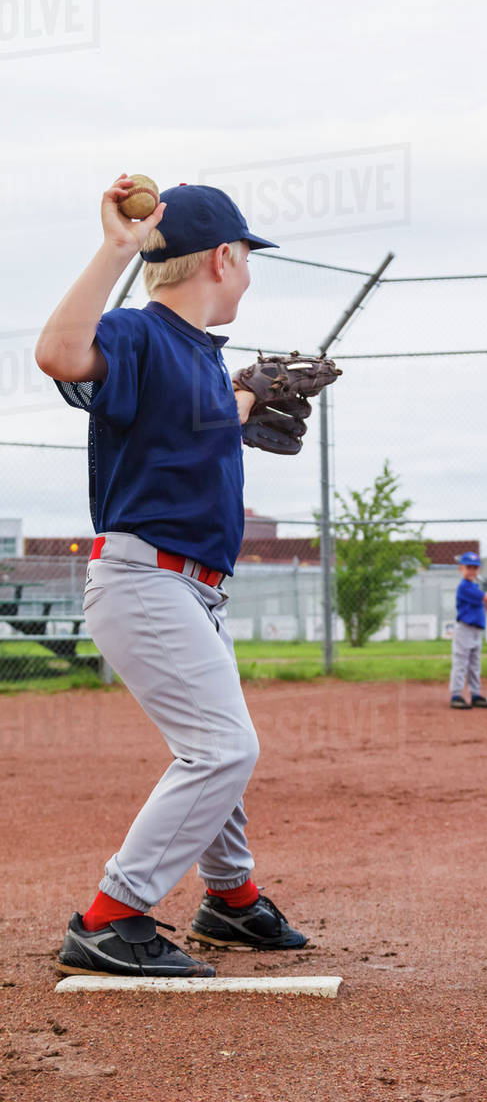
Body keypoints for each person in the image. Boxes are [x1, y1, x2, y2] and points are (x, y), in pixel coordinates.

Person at [36, 175, 307, 978]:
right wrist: (116, 248)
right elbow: (58, 354)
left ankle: (233, 901)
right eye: (247, 258)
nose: (250, 273)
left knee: (212, 739)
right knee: (224, 747)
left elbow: (213, 411)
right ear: (223, 257)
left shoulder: (202, 364)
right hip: (143, 580)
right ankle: (111, 916)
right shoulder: (139, 335)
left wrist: (250, 400)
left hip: (193, 589)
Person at [449, 551, 487, 709]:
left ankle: (475, 694)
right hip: (464, 630)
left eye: (475, 568)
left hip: (476, 631)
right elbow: (484, 598)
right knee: (461, 663)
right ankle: (456, 695)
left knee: (474, 664)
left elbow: (485, 606)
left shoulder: (474, 587)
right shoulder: (465, 587)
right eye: (468, 567)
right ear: (461, 569)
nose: (472, 571)